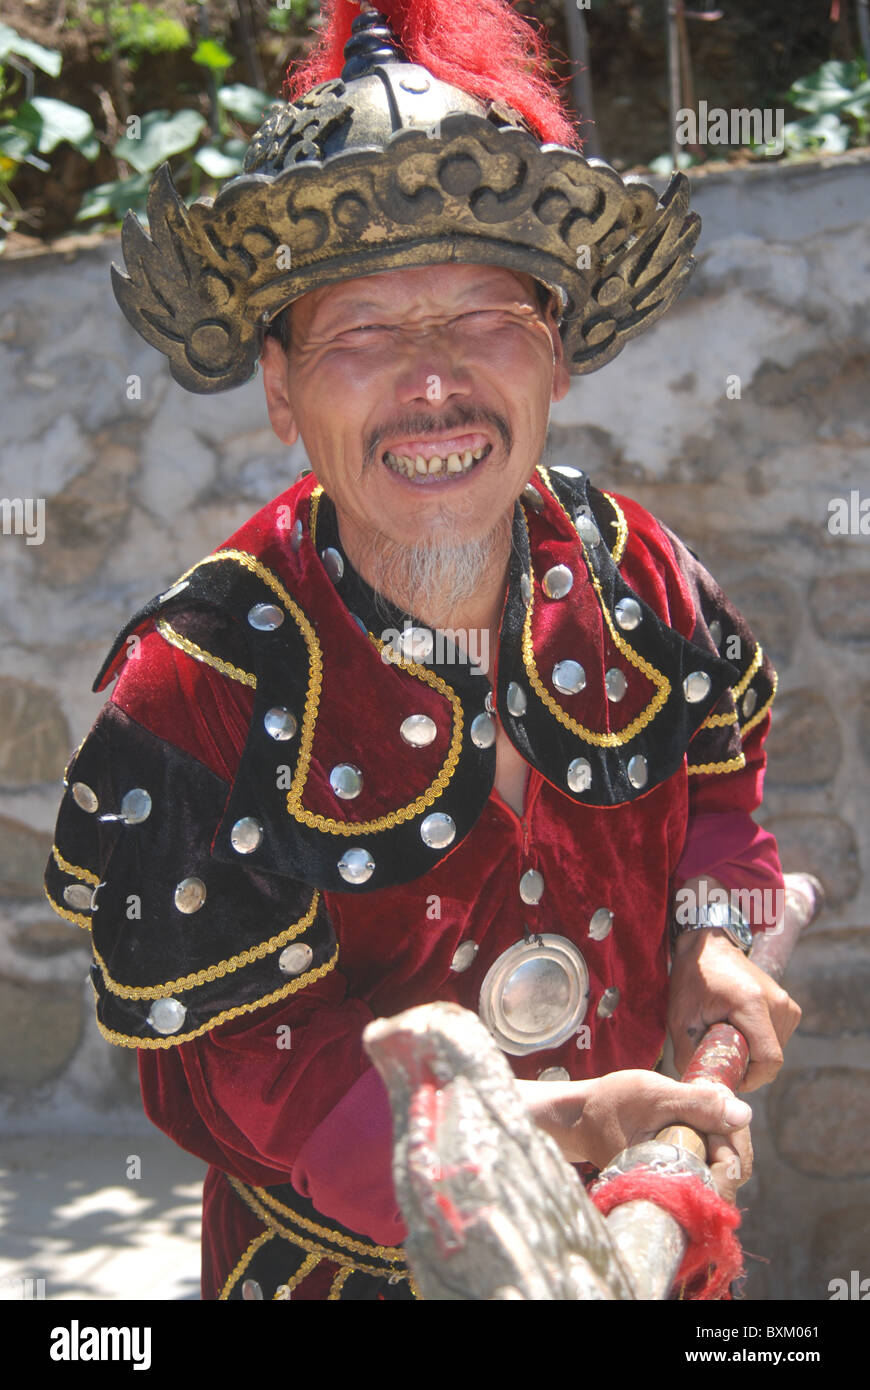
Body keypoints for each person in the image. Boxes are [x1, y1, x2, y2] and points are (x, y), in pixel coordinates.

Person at [44, 0, 799, 1301]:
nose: (432, 378)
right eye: (361, 332)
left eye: (482, 316)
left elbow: (722, 792)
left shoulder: (641, 573)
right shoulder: (195, 687)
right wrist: (552, 1142)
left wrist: (712, 934)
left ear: (554, 351)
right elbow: (247, 1064)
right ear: (279, 389)